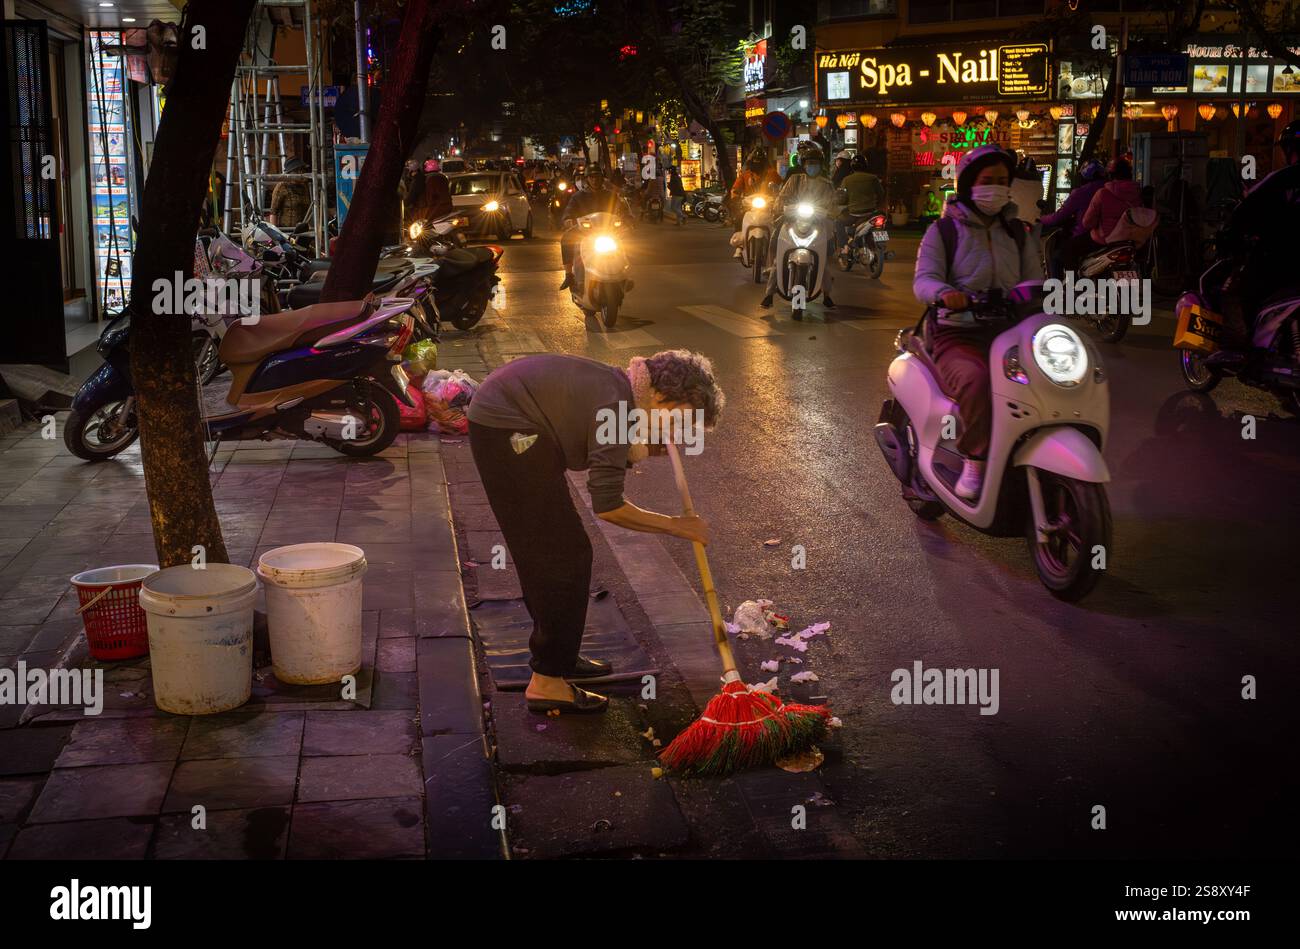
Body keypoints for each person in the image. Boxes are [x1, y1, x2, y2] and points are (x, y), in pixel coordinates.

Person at [467, 351, 724, 714]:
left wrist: (637, 446)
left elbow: (605, 446)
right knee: (559, 557)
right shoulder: (617, 407)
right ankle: (548, 681)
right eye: (680, 419)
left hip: (518, 420)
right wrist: (676, 526)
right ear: (662, 398)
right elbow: (609, 506)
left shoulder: (622, 393)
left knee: (557, 550)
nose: (677, 434)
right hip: (508, 428)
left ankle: (560, 657)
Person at [913, 145, 1042, 501]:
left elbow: (1035, 280)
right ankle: (976, 458)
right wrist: (945, 293)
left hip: (1012, 333)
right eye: (988, 181)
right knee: (976, 380)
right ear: (969, 184)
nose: (996, 188)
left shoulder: (1019, 232)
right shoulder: (942, 232)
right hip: (958, 332)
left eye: (1003, 181)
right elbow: (923, 280)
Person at [760, 140, 838, 309]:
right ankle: (768, 294)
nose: (812, 166)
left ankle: (827, 294)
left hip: (817, 223)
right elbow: (781, 198)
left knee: (823, 260)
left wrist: (832, 213)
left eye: (815, 163)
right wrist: (779, 210)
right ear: (804, 164)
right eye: (809, 163)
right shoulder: (794, 180)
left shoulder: (827, 184)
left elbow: (833, 204)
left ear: (820, 165)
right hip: (793, 221)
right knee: (778, 258)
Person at [1061, 157, 1141, 274]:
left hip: (1105, 239)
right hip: (1130, 239)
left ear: (1111, 175)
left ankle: (1072, 287)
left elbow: (1087, 222)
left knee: (1068, 249)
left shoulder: (1102, 193)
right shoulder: (1137, 192)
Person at [1039, 160, 1106, 277]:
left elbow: (1059, 216)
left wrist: (1041, 219)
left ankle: (1065, 289)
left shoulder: (1082, 192)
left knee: (1058, 257)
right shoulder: (1109, 188)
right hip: (1111, 236)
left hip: (1088, 236)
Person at [559, 167, 622, 289]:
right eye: (591, 177)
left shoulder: (611, 195)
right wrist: (567, 219)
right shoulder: (578, 196)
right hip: (584, 231)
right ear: (587, 179)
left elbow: (623, 209)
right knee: (566, 239)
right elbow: (569, 210)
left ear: (602, 179)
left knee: (626, 244)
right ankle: (569, 275)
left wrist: (628, 219)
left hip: (608, 231)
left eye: (597, 177)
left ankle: (623, 275)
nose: (595, 180)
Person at [729, 151, 781, 252]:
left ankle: (777, 243)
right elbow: (735, 188)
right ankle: (740, 244)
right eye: (755, 161)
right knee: (739, 217)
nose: (757, 164)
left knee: (779, 220)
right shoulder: (745, 175)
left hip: (768, 205)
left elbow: (781, 187)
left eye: (759, 162)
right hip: (749, 205)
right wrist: (735, 198)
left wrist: (779, 198)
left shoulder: (772, 173)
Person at [834, 153, 886, 252]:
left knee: (838, 222)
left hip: (855, 214)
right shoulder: (873, 178)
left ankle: (844, 246)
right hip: (871, 212)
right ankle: (880, 246)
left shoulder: (847, 179)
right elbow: (881, 194)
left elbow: (842, 197)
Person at [269, 156, 310, 229]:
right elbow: (273, 212)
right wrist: (275, 233)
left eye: (302, 170)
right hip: (286, 230)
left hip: (303, 230)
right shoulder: (282, 186)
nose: (301, 172)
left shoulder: (304, 186)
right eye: (298, 170)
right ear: (291, 172)